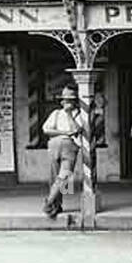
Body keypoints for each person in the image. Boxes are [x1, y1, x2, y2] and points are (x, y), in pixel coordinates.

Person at [42, 85, 87, 218]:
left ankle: (50, 203)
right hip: (56, 145)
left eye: (69, 99)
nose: (66, 102)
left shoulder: (80, 114)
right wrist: (64, 132)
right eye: (65, 99)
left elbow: (76, 130)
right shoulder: (56, 113)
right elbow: (46, 129)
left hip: (69, 146)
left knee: (64, 176)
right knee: (56, 176)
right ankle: (54, 205)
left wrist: (68, 114)